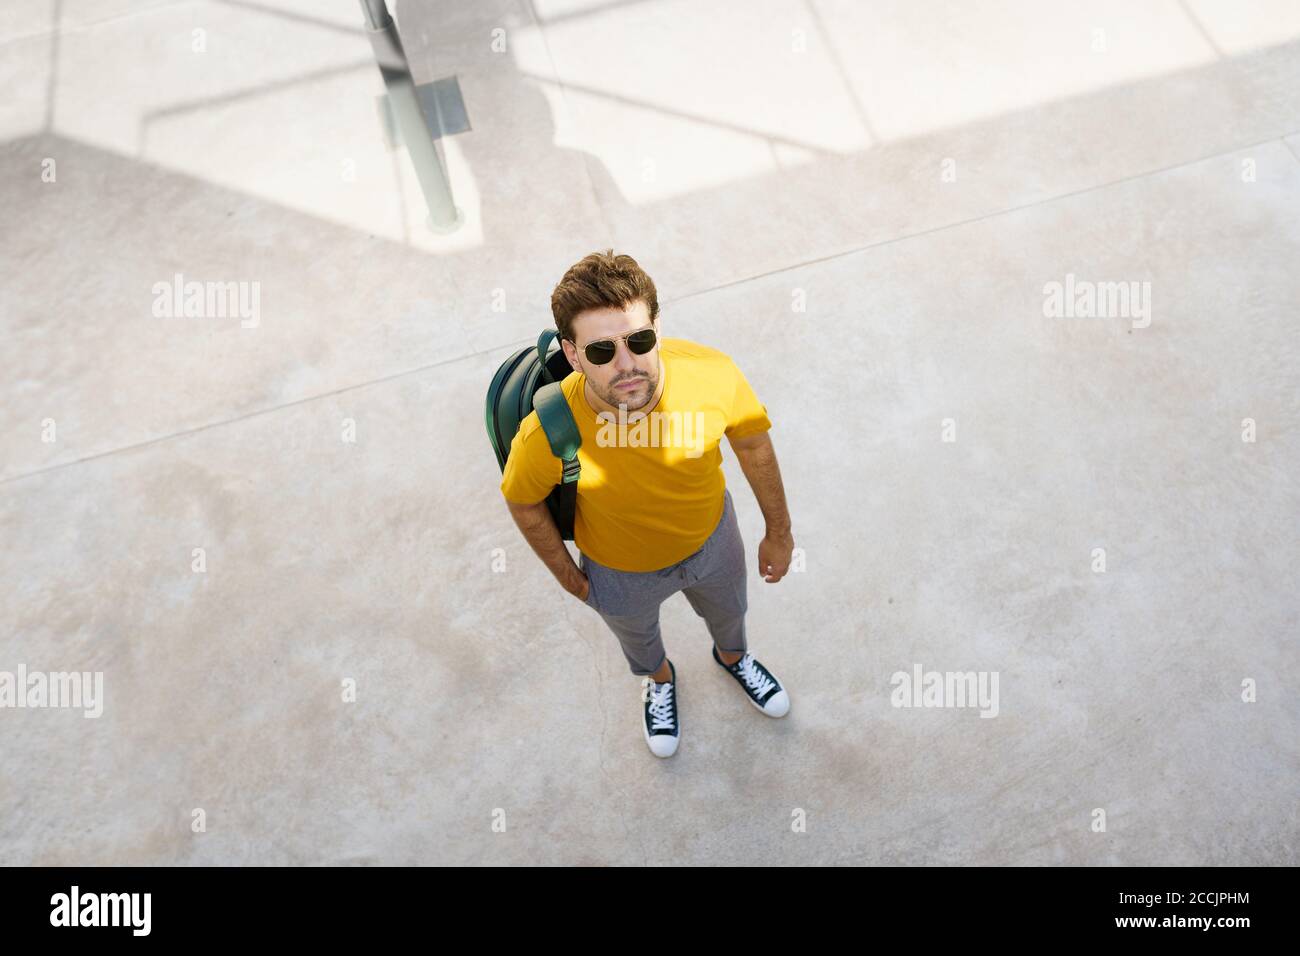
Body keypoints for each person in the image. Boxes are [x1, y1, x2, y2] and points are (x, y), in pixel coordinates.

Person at [500, 249, 794, 757]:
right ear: (572, 355)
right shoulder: (545, 434)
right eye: (600, 352)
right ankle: (660, 681)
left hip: (713, 540)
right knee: (639, 644)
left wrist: (780, 532)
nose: (626, 364)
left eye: (639, 340)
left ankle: (733, 658)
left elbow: (752, 444)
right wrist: (570, 577)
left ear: (657, 326)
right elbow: (524, 503)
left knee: (731, 615)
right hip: (618, 570)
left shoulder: (713, 374)